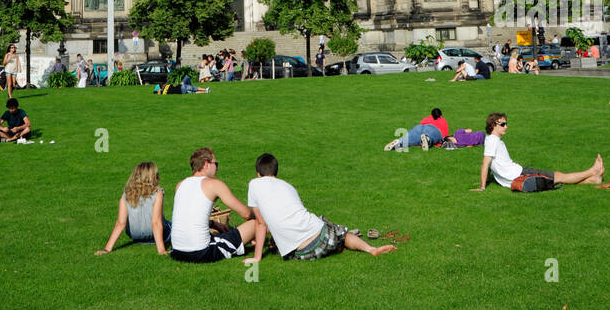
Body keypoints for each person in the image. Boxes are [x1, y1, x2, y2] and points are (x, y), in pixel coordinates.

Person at [248, 154, 398, 260]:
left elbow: (261, 223)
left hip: (302, 253)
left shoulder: (254, 184)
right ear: (276, 172)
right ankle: (371, 249)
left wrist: (257, 257)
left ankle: (337, 246)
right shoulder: (288, 187)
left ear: (258, 174)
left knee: (331, 235)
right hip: (322, 234)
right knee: (341, 233)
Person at [473, 112, 610, 192]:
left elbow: (492, 165)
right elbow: (486, 164)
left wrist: (487, 181)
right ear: (494, 125)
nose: (506, 126)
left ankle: (593, 179)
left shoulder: (492, 140)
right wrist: (482, 186)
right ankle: (593, 171)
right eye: (503, 124)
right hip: (519, 174)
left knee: (555, 179)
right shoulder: (492, 140)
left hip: (516, 174)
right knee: (558, 176)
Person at [170, 147, 257, 263]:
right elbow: (246, 214)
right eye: (215, 163)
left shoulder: (180, 185)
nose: (217, 168)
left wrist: (213, 224)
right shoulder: (214, 184)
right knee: (258, 222)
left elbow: (189, 216)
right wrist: (259, 218)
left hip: (176, 251)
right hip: (201, 252)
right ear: (206, 164)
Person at [96, 161, 171, 255]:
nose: (159, 178)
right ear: (150, 178)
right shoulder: (158, 193)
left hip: (134, 235)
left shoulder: (126, 194)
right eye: (156, 175)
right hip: (157, 234)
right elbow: (155, 222)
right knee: (175, 225)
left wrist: (107, 249)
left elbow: (120, 223)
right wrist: (161, 250)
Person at [384, 108, 450, 151]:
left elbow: (420, 128)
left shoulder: (426, 119)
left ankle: (399, 141)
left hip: (419, 127)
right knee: (430, 136)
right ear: (441, 115)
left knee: (409, 137)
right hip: (434, 130)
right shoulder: (443, 120)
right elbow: (444, 135)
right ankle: (427, 139)